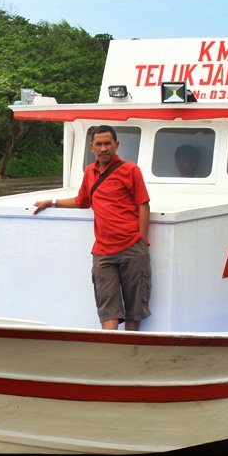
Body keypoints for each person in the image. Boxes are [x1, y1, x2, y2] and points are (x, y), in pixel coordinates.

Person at [33, 125, 151, 331]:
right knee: (107, 308)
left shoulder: (130, 170)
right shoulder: (90, 172)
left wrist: (141, 240)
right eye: (99, 144)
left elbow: (143, 205)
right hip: (103, 252)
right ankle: (111, 352)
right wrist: (51, 202)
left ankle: (128, 354)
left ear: (117, 145)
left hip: (132, 247)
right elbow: (82, 200)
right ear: (91, 147)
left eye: (108, 143)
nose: (103, 148)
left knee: (135, 308)